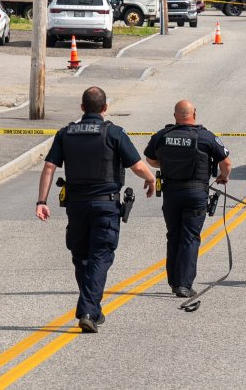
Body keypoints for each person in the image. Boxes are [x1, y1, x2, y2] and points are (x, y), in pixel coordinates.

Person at [36, 87, 156, 333]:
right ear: (105, 108)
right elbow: (137, 166)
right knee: (100, 256)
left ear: (82, 107)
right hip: (105, 205)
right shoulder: (113, 133)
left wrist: (42, 201)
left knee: (81, 257)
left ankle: (92, 309)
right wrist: (151, 179)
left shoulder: (66, 133)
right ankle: (89, 310)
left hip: (76, 207)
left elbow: (49, 166)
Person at [144, 100, 232, 299]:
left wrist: (165, 164)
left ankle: (174, 281)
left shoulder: (163, 135)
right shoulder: (205, 136)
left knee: (173, 236)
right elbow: (225, 162)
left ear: (175, 115)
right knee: (190, 238)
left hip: (171, 194)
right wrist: (223, 176)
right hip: (195, 194)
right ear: (195, 114)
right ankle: (184, 285)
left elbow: (150, 159)